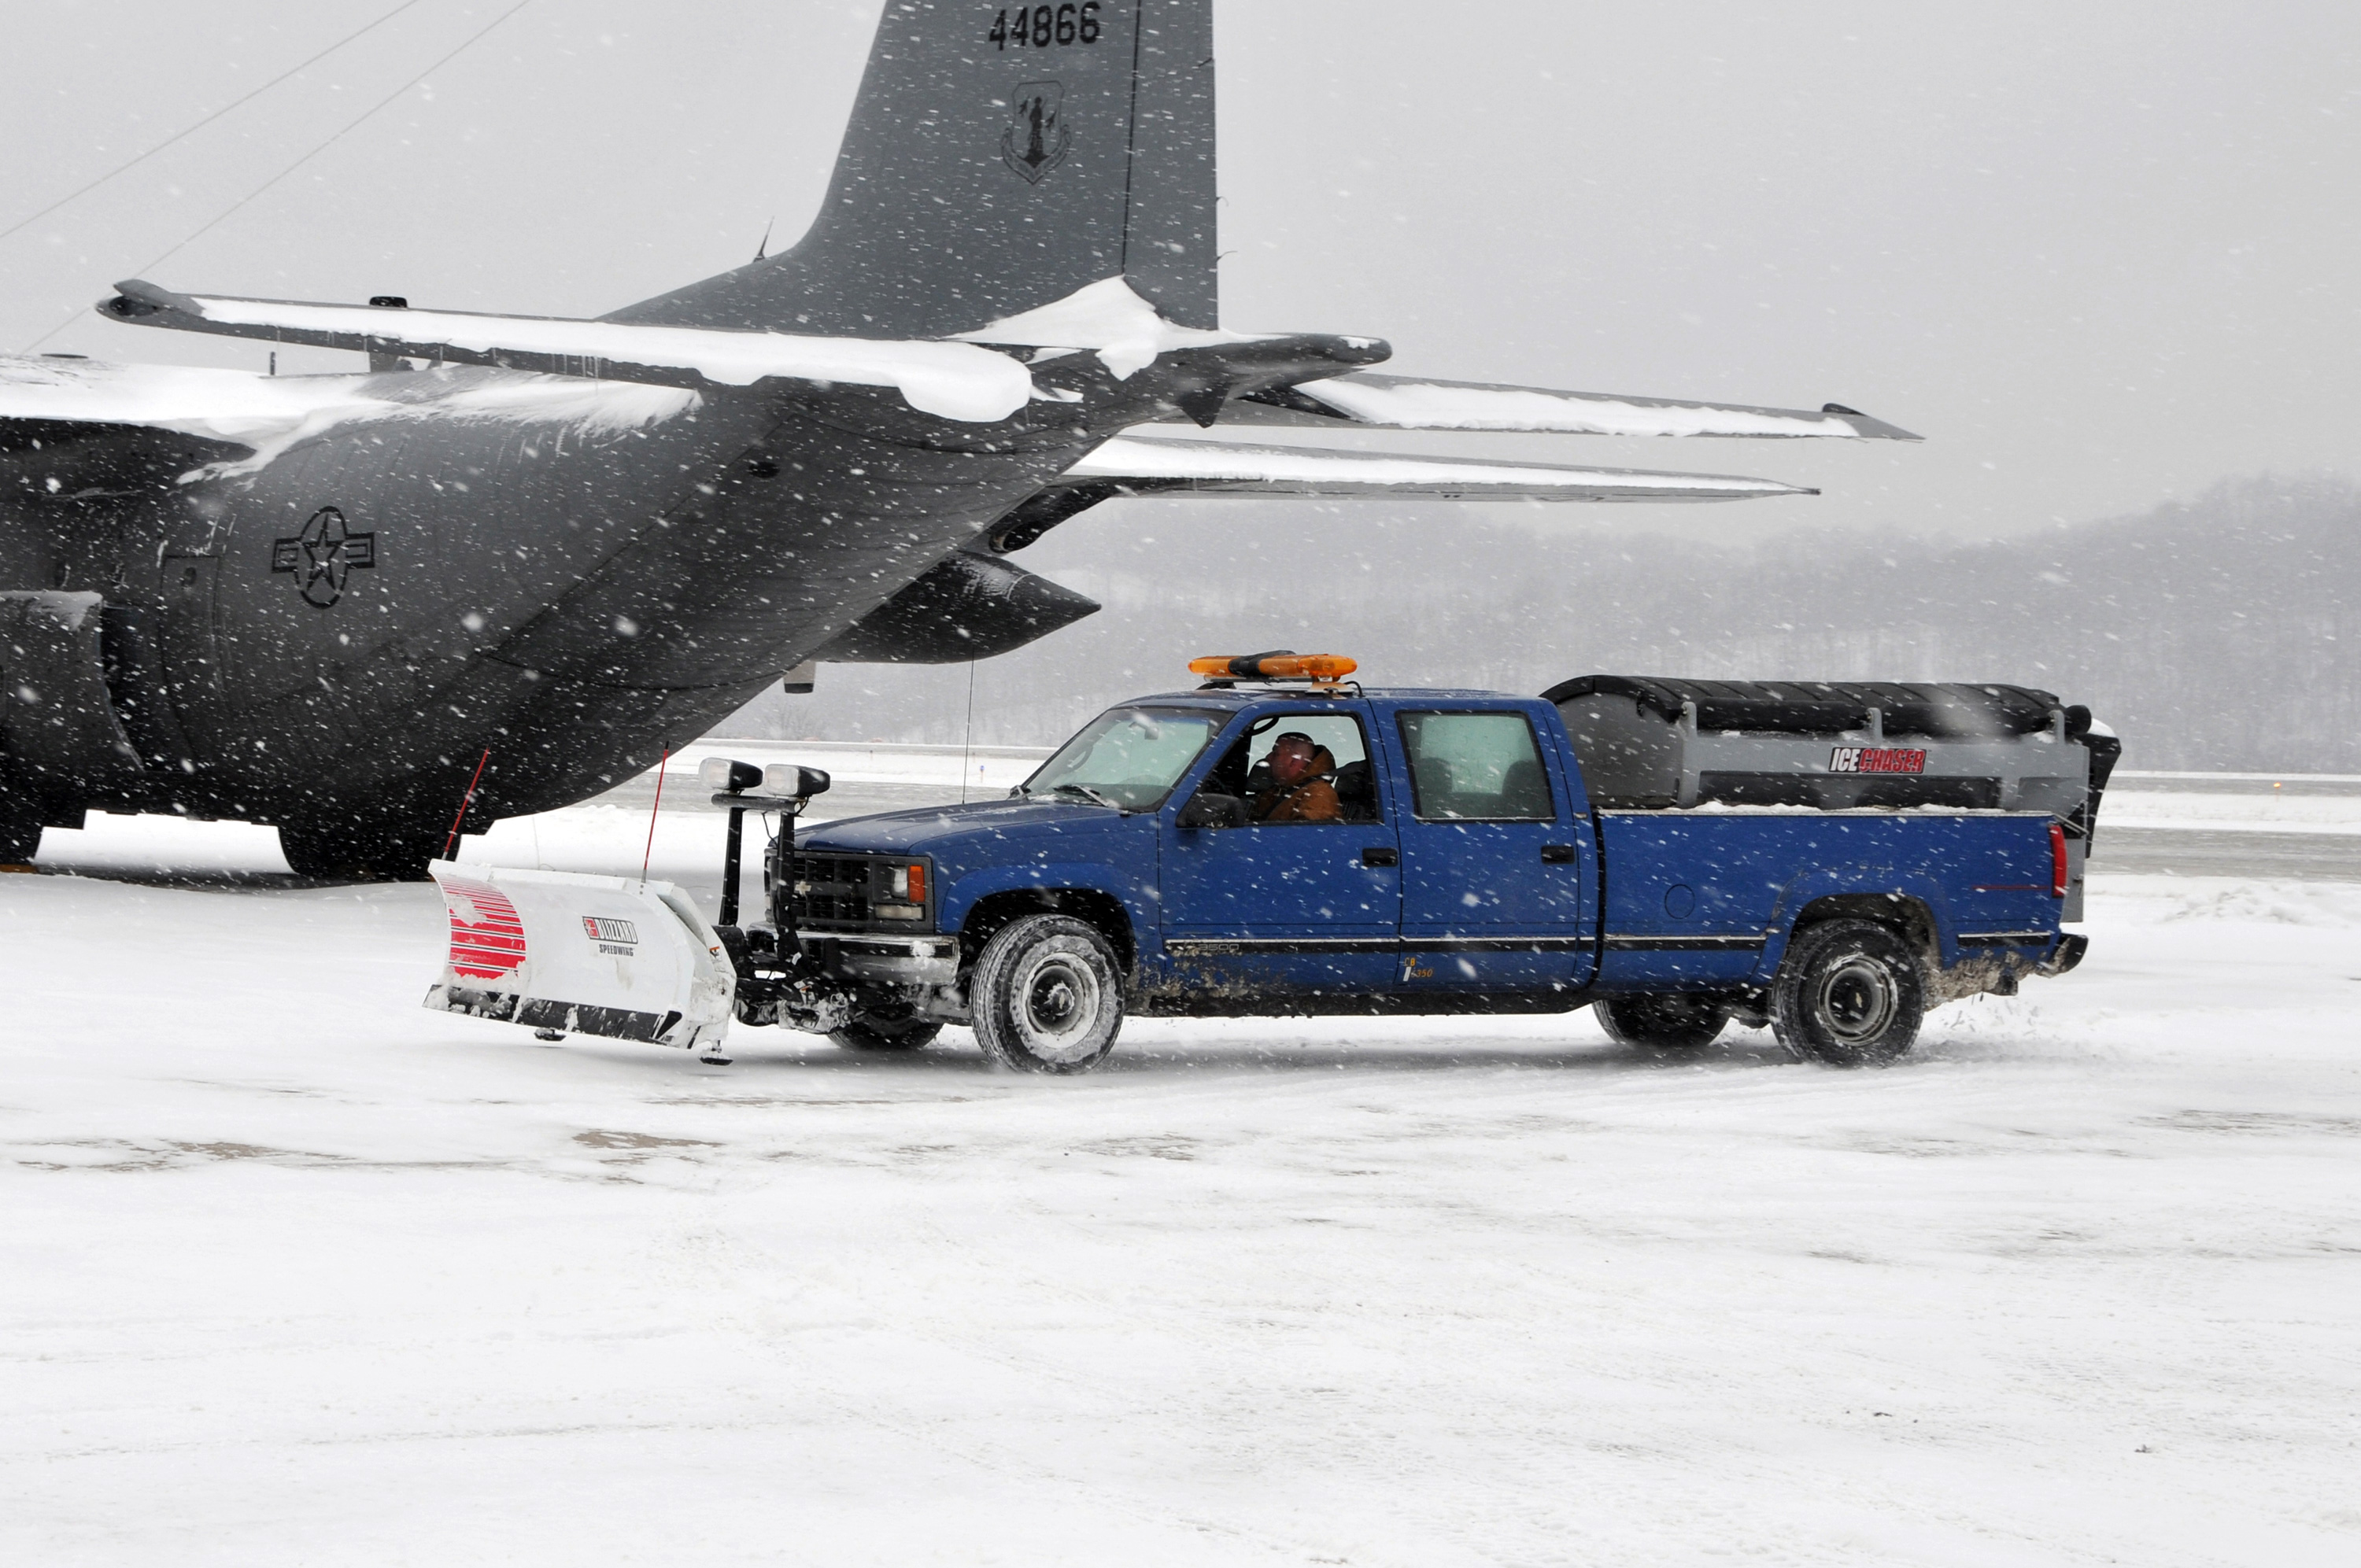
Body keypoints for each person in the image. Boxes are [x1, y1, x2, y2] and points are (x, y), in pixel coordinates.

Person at [1252, 732, 1343, 823]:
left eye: (1276, 753)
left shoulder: (1319, 794)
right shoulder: (1273, 793)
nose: (1268, 757)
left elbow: (1303, 835)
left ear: (1294, 761)